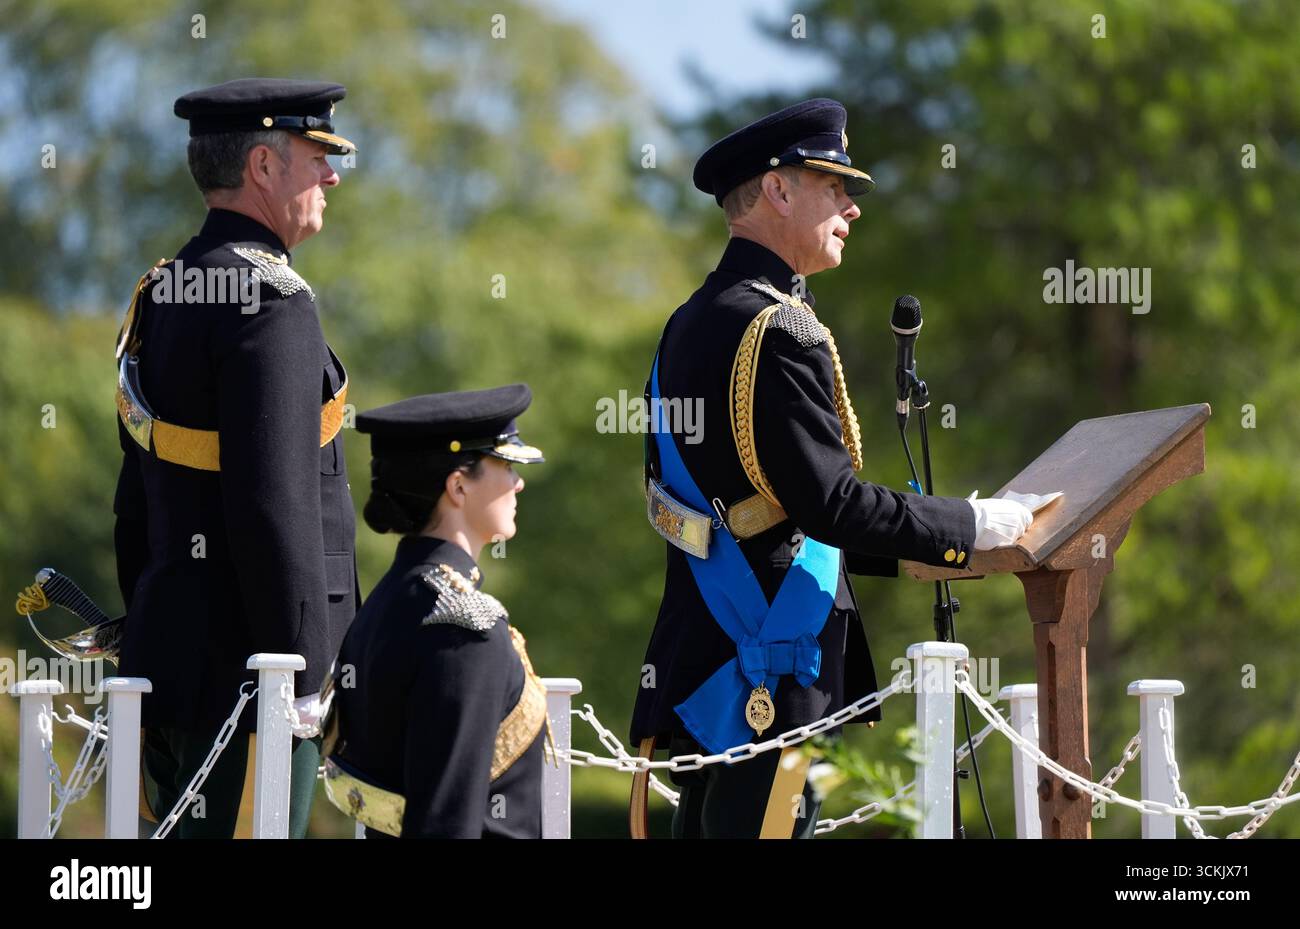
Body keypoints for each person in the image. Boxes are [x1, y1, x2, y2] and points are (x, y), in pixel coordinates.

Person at [628, 98, 1034, 839]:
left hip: (704, 660)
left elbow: (743, 506)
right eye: (833, 185)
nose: (851, 206)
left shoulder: (690, 319)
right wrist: (970, 525)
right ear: (777, 191)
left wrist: (923, 544)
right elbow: (830, 504)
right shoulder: (779, 327)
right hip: (770, 672)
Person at [112, 78, 360, 838]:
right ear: (261, 166)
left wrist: (147, 622)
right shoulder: (273, 300)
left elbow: (134, 499)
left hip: (170, 658)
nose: (332, 176)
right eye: (316, 156)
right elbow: (273, 502)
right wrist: (305, 672)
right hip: (258, 681)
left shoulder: (163, 291)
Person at [320, 384, 551, 838]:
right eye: (505, 464)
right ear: (458, 485)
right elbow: (447, 823)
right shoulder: (464, 626)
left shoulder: (388, 600)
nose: (518, 481)